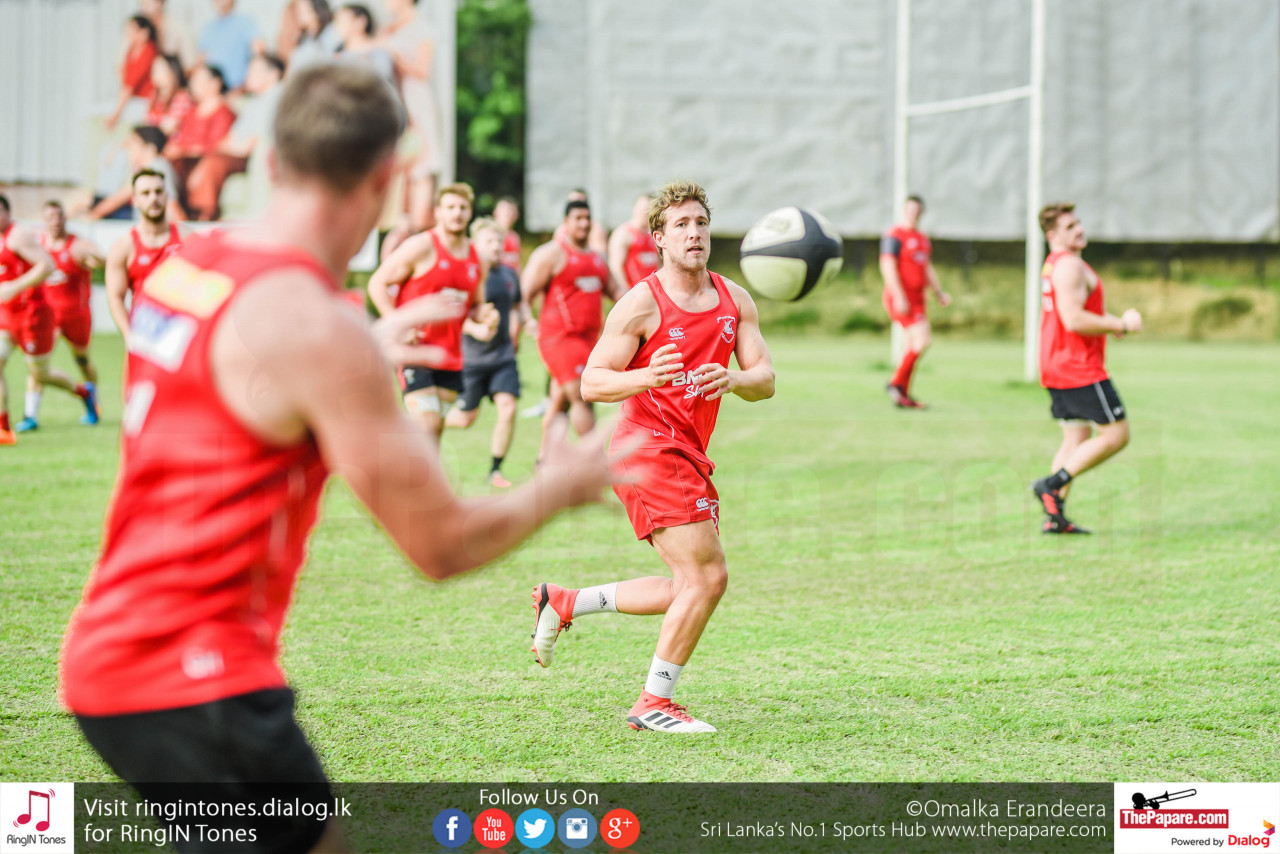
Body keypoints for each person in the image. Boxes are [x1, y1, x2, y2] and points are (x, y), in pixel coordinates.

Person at [61, 64, 627, 854]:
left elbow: (235, 386)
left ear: (270, 159)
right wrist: (558, 485)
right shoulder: (316, 328)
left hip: (110, 653)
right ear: (392, 180)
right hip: (190, 674)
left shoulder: (195, 262)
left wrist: (353, 352)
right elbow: (440, 545)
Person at [530, 181, 775, 734]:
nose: (695, 233)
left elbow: (767, 378)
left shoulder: (735, 300)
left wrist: (735, 378)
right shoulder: (641, 303)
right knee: (708, 577)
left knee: (685, 584)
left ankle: (564, 602)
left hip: (689, 453)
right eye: (682, 225)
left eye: (701, 223)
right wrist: (647, 374)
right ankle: (654, 703)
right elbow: (591, 381)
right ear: (660, 239)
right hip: (646, 447)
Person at [1030, 202, 1142, 534]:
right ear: (1052, 236)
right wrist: (1120, 323)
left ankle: (1055, 518)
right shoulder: (1069, 267)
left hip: (1055, 365)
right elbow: (1074, 318)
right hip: (1077, 367)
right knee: (1117, 435)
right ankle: (1052, 484)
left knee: (1075, 438)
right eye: (1069, 227)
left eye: (1078, 223)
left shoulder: (1054, 264)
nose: (1079, 229)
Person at [368, 182, 499, 441]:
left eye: (463, 207)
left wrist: (486, 317)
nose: (457, 213)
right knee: (426, 426)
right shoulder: (422, 246)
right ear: (438, 212)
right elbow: (377, 283)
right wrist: (397, 325)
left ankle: (412, 478)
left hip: (450, 355)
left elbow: (474, 306)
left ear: (470, 212)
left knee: (435, 431)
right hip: (416, 351)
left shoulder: (476, 258)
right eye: (450, 207)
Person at [522, 198, 625, 460]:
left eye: (587, 218)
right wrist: (527, 320)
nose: (584, 223)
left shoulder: (597, 258)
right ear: (566, 223)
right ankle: (599, 463)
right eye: (577, 218)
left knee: (560, 401)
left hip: (590, 340)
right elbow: (524, 294)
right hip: (559, 338)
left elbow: (618, 293)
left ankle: (543, 461)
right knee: (581, 394)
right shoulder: (551, 254)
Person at [0, 197, 99, 442]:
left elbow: (48, 264)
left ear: (7, 211)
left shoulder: (18, 237)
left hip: (35, 314)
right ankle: (5, 428)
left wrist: (15, 287)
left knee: (40, 374)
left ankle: (83, 392)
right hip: (7, 315)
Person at [444, 218, 533, 487]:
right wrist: (475, 329)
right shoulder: (467, 274)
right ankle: (427, 424)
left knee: (508, 408)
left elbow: (519, 304)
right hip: (472, 359)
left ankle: (495, 470)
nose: (495, 247)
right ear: (475, 244)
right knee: (465, 419)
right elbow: (454, 313)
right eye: (489, 242)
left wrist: (528, 321)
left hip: (503, 357)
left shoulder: (508, 274)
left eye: (498, 241)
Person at [19, 202, 107, 431]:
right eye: (50, 217)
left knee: (83, 361)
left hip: (77, 315)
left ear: (65, 218)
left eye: (59, 216)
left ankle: (92, 400)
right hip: (48, 316)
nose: (55, 221)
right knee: (38, 364)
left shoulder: (77, 245)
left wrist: (94, 258)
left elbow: (101, 260)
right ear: (44, 220)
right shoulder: (37, 245)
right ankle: (30, 415)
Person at [185, 53, 285, 220]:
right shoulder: (254, 101)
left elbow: (259, 138)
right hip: (235, 151)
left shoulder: (279, 97)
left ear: (273, 74)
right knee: (200, 160)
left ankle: (204, 216)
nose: (248, 76)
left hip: (251, 156)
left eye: (254, 71)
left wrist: (232, 150)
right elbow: (233, 135)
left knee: (213, 163)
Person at [880, 194, 949, 408]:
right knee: (922, 340)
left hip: (919, 298)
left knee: (913, 344)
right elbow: (887, 266)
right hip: (903, 297)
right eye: (909, 209)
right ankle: (896, 383)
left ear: (921, 213)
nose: (913, 214)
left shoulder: (922, 239)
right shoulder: (894, 235)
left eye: (916, 210)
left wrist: (938, 292)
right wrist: (898, 295)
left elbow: (926, 268)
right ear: (904, 210)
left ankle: (903, 395)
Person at [382, 0, 443, 233]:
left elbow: (422, 71)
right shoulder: (390, 27)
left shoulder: (422, 28)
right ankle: (403, 228)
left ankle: (418, 227)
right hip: (395, 100)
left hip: (416, 100)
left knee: (422, 162)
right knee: (404, 165)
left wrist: (392, 53)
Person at [104, 169, 185, 342]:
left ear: (166, 196)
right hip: (143, 336)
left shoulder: (188, 240)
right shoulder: (123, 247)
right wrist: (130, 335)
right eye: (146, 193)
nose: (153, 198)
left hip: (181, 336)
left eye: (158, 192)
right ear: (135, 200)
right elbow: (115, 297)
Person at [165, 64, 237, 209]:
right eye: (193, 81)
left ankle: (200, 214)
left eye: (199, 81)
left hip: (206, 160)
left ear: (215, 83)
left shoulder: (224, 112)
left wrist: (186, 151)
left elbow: (218, 145)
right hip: (186, 160)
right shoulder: (191, 112)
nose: (194, 86)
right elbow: (182, 139)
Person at [86, 125, 185, 223]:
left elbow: (172, 205)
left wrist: (93, 215)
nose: (129, 150)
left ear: (150, 149)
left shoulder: (156, 167)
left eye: (133, 145)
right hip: (139, 218)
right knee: (84, 199)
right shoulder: (148, 167)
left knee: (84, 200)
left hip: (147, 223)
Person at [105, 15, 160, 132]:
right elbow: (124, 79)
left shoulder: (149, 51)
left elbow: (130, 84)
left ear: (144, 32)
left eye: (132, 30)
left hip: (145, 103)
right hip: (132, 101)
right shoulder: (131, 51)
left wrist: (115, 115)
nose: (128, 34)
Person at [196, 0, 263, 92]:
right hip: (213, 91)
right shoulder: (208, 28)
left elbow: (258, 55)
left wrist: (243, 88)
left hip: (240, 90)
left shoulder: (246, 22)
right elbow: (201, 63)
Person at [333, 4, 396, 86]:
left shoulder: (380, 49)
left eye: (341, 21)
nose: (337, 26)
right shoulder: (338, 56)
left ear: (361, 21)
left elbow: (382, 77)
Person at [607, 193, 659, 289]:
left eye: (648, 210)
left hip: (653, 291)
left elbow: (660, 264)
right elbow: (615, 267)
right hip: (633, 291)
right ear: (635, 209)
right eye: (642, 209)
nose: (645, 213)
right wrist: (625, 292)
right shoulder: (623, 233)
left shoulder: (656, 234)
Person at [144, 54, 193, 137]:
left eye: (160, 70)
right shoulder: (154, 96)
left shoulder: (182, 97)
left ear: (173, 71)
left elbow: (170, 128)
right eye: (154, 70)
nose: (155, 74)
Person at [493, 195, 522, 272]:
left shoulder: (515, 237)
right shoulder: (489, 235)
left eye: (512, 211)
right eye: (505, 211)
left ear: (517, 215)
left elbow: (517, 263)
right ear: (495, 213)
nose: (509, 214)